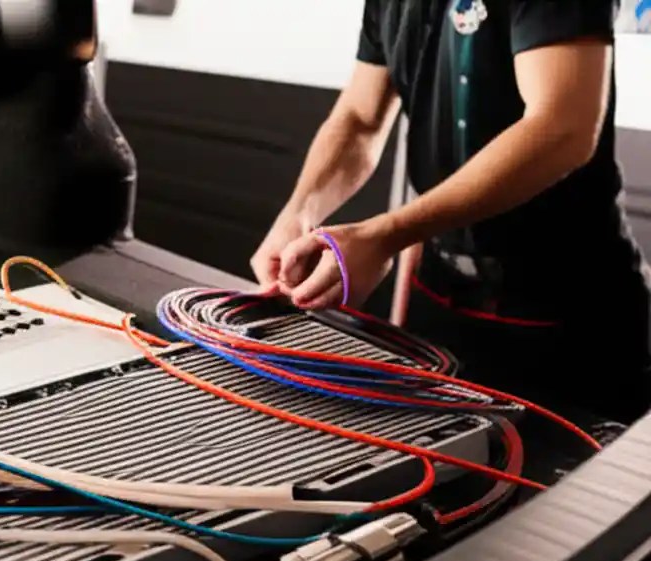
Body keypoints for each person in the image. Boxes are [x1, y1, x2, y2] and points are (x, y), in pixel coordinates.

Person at [252, 0, 651, 424]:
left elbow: (562, 128)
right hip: (442, 295)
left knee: (577, 483)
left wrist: (386, 234)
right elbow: (360, 118)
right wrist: (300, 210)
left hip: (568, 313)